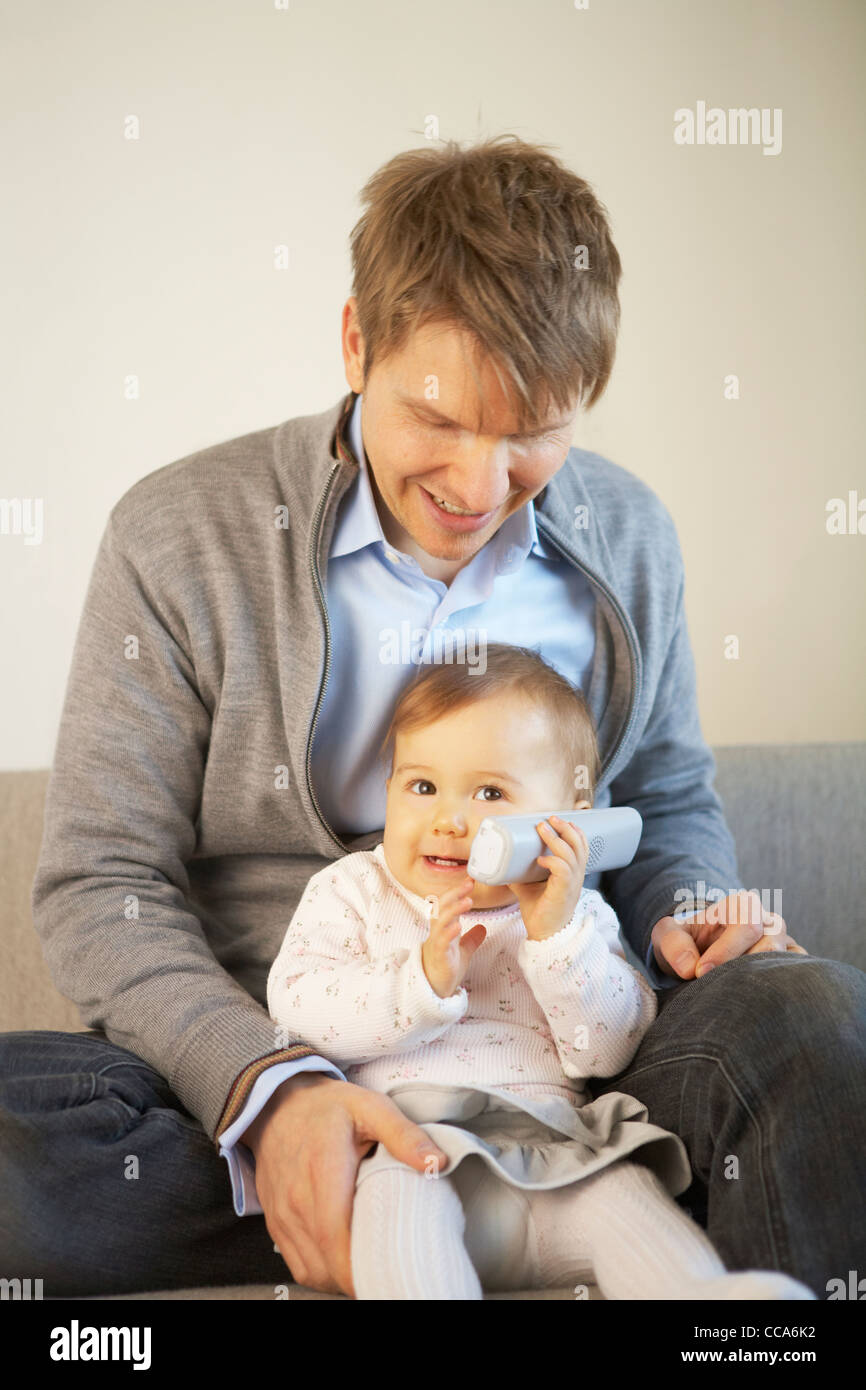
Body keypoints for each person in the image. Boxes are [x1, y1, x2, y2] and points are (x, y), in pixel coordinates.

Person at [4, 135, 863, 1299]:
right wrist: (271, 1088)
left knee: (818, 1014)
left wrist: (694, 914)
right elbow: (99, 883)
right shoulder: (178, 536)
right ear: (357, 341)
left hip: (564, 1056)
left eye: (533, 433)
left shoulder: (627, 536)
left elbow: (661, 805)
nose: (477, 479)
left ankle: (531, 1210)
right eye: (440, 418)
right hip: (270, 1049)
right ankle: (404, 1181)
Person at [267, 644, 815, 1300]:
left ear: (569, 811)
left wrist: (556, 939)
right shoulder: (355, 890)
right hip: (420, 1149)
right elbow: (295, 1003)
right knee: (398, 1204)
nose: (449, 818)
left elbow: (611, 1044)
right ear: (387, 787)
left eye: (490, 792)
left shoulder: (578, 914)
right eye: (421, 785)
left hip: (557, 1149)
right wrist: (417, 986)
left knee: (628, 1198)